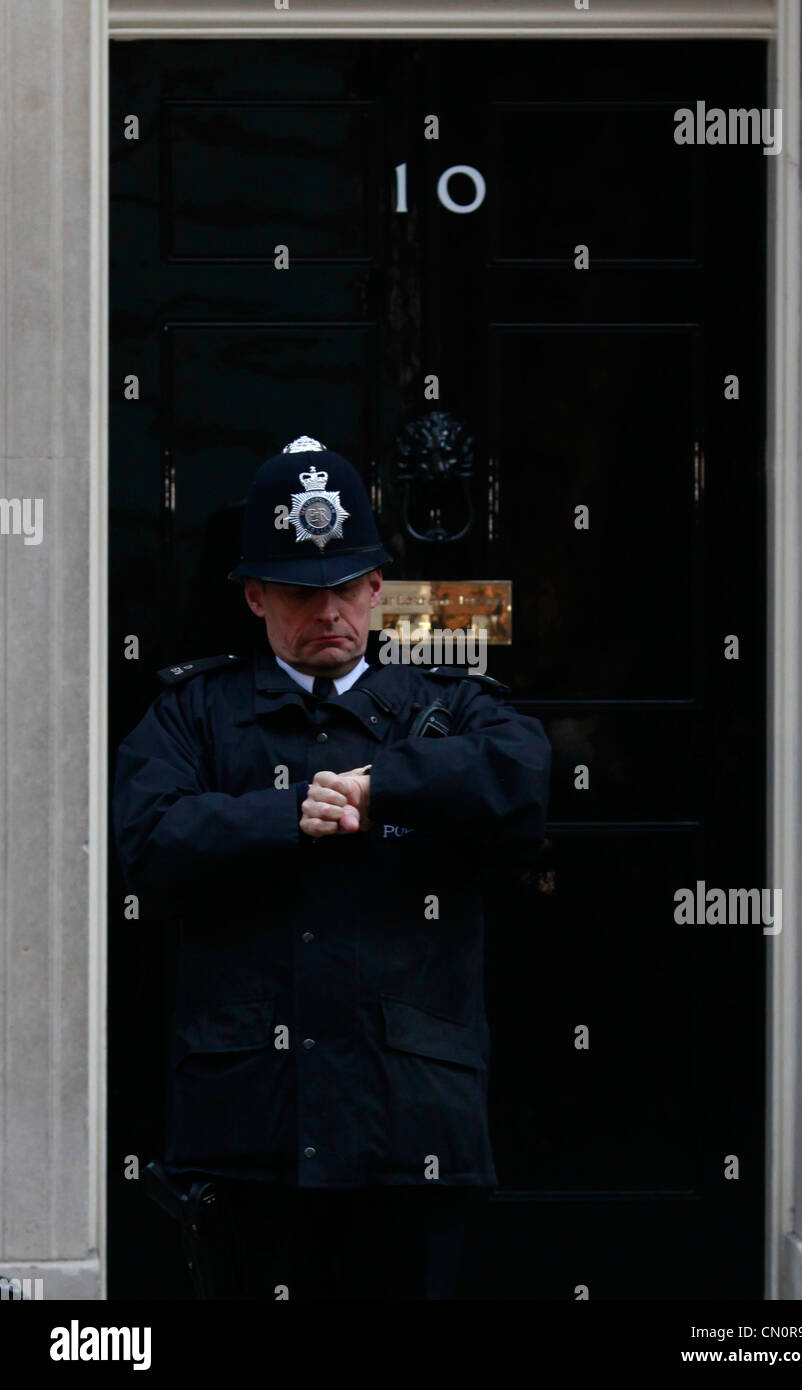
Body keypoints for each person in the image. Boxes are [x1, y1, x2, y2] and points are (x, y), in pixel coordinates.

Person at [113, 434, 552, 1300]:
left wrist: (384, 784)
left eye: (347, 587)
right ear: (254, 596)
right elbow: (149, 840)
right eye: (300, 592)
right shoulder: (195, 714)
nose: (328, 612)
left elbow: (523, 772)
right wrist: (288, 815)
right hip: (252, 1133)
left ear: (378, 590)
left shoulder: (443, 706)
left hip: (409, 1127)